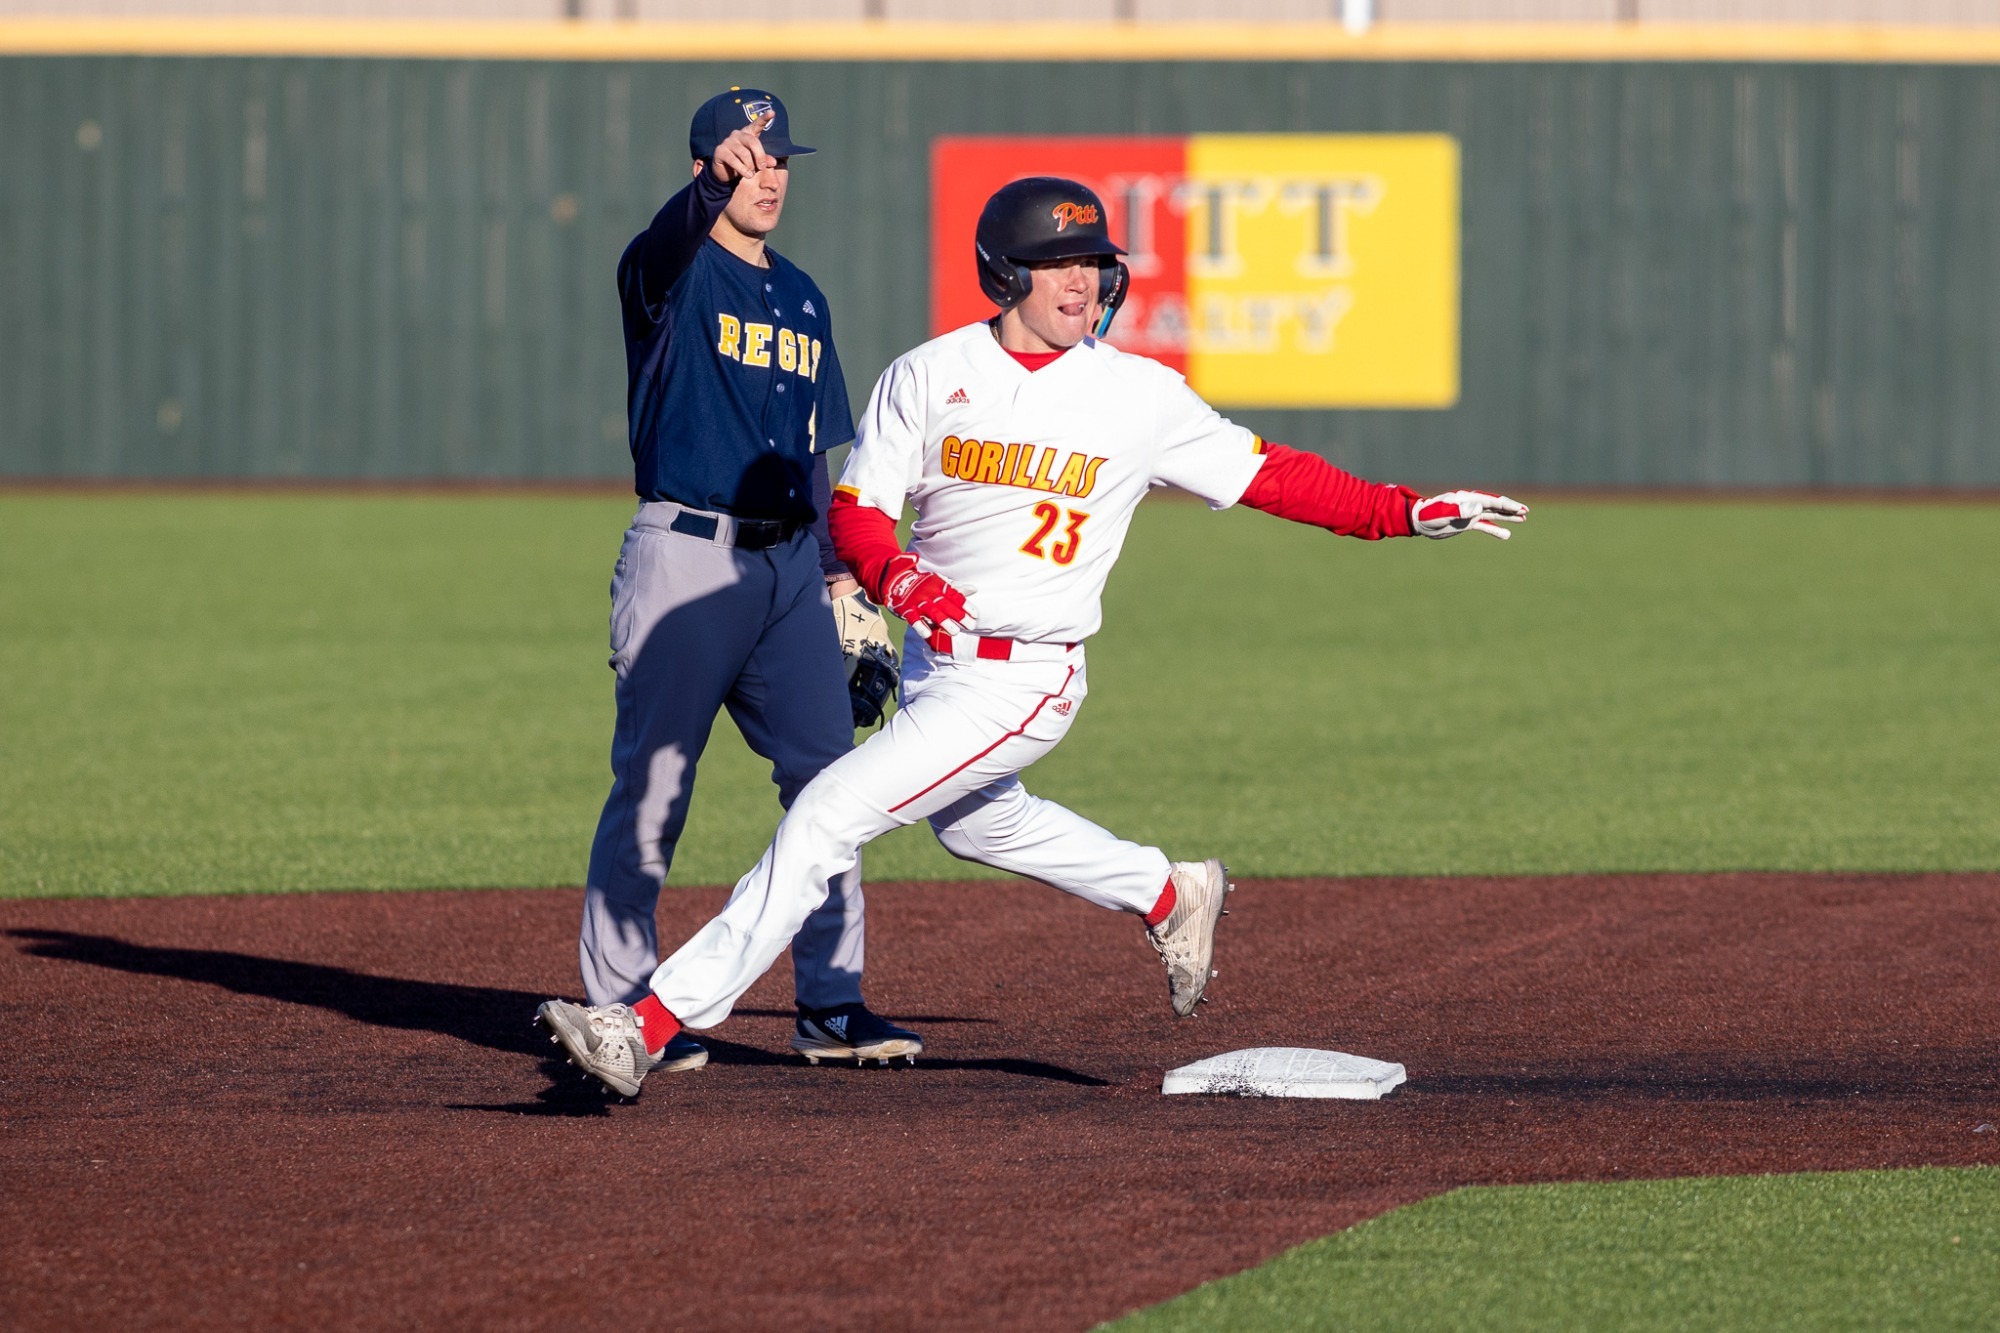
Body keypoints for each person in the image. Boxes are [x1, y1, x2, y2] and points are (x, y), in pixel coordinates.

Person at [538, 176, 1527, 1097]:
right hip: (938, 665)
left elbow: (1272, 474)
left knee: (826, 813)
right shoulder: (927, 376)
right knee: (974, 822)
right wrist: (892, 573)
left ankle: (645, 1025)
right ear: (1005, 273)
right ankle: (1163, 889)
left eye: (1094, 262)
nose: (1083, 280)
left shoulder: (1136, 397)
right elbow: (856, 510)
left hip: (1024, 674)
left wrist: (1400, 512)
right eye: (1058, 262)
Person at [558, 87, 920, 1082]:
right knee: (655, 785)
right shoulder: (667, 275)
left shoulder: (803, 295)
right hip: (685, 552)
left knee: (834, 786)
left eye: (778, 161)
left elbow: (812, 454)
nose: (768, 176)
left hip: (786, 570)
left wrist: (842, 580)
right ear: (705, 170)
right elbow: (656, 245)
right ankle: (625, 1008)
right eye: (748, 161)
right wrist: (707, 180)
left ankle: (830, 1003)